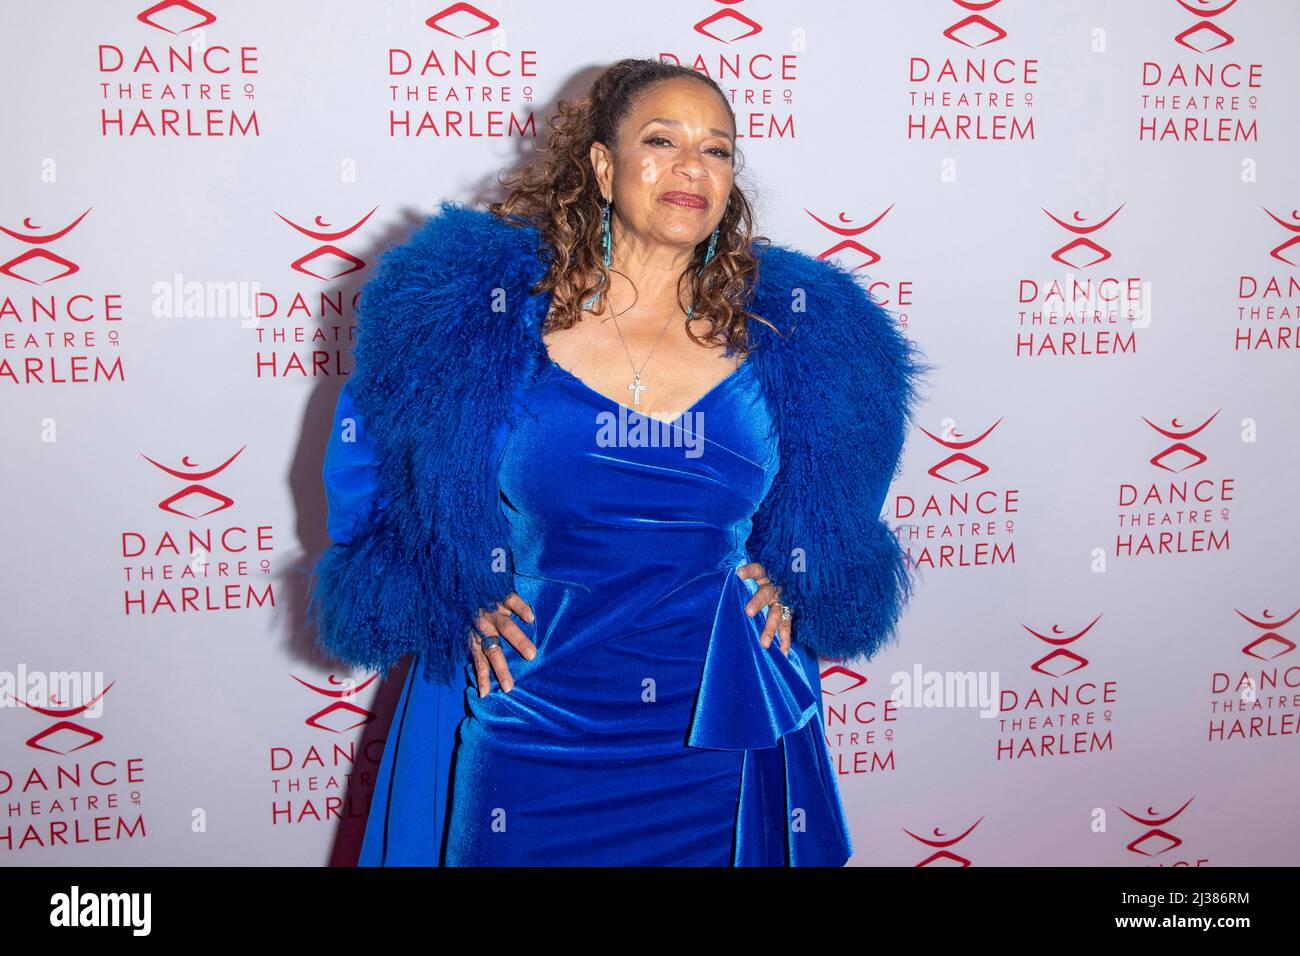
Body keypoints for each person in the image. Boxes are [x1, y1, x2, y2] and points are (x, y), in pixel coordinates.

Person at [308, 58, 932, 866]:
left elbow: (842, 497)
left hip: (718, 722)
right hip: (537, 717)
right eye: (661, 139)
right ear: (603, 166)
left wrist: (799, 571)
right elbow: (377, 473)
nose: (690, 168)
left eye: (716, 150)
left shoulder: (801, 340)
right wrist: (449, 585)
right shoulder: (477, 322)